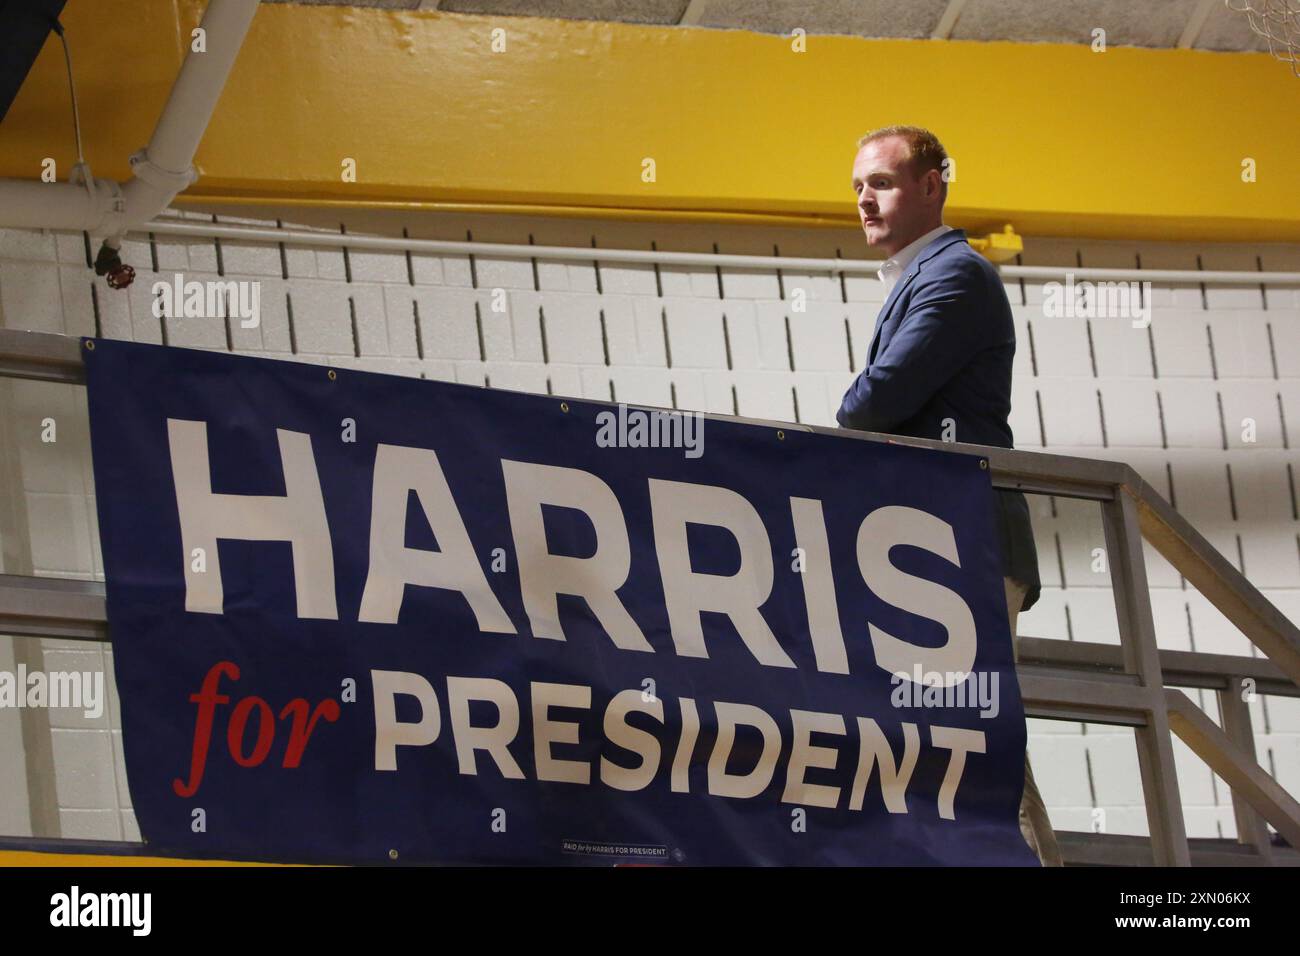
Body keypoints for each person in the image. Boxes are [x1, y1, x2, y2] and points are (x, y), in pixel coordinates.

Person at [836, 125, 1063, 867]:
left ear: (932, 186)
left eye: (884, 182)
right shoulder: (920, 277)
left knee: (974, 742)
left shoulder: (953, 274)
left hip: (961, 542)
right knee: (963, 743)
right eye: (858, 186)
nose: (865, 198)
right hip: (935, 546)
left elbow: (870, 402)